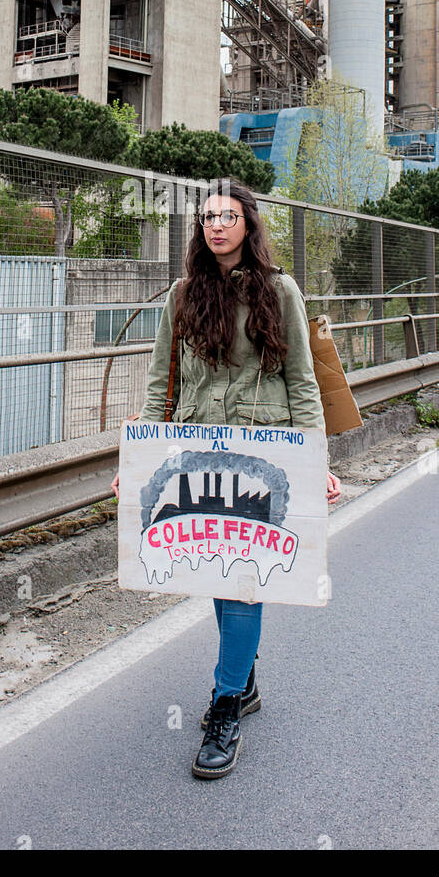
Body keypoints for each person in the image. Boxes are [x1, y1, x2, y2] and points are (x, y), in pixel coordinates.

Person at [112, 179, 339, 780]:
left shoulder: (280, 291)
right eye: (208, 217)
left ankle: (225, 705)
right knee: (218, 571)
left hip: (265, 457)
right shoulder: (183, 295)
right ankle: (246, 678)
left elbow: (302, 381)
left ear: (249, 223)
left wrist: (315, 464)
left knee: (241, 577)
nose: (217, 226)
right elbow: (160, 384)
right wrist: (137, 466)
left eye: (228, 216)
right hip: (194, 454)